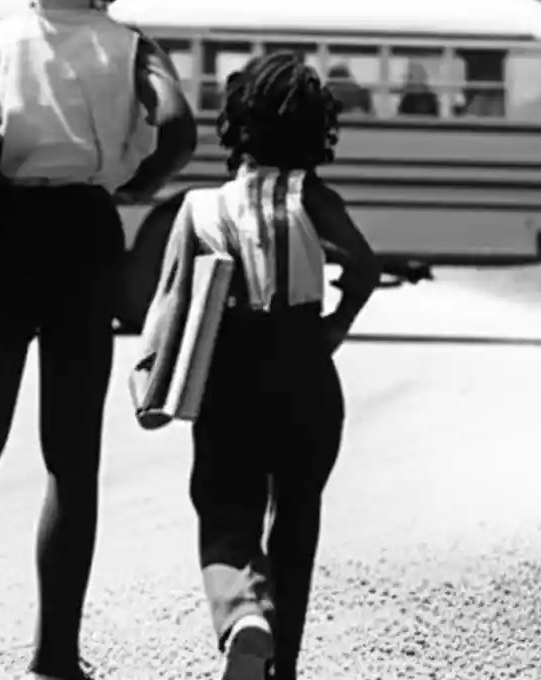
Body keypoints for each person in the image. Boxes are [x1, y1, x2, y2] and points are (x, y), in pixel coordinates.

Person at [0, 0, 198, 679]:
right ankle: (55, 656)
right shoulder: (131, 45)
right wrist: (137, 182)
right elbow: (178, 126)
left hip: (0, 232)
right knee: (71, 458)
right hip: (85, 235)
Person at [181, 51, 381, 680]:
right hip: (306, 371)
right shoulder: (315, 198)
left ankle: (243, 616)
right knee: (298, 514)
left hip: (232, 375)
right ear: (317, 130)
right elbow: (365, 264)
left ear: (236, 126)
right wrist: (335, 324)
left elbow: (176, 306)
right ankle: (284, 665)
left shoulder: (203, 208)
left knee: (225, 507)